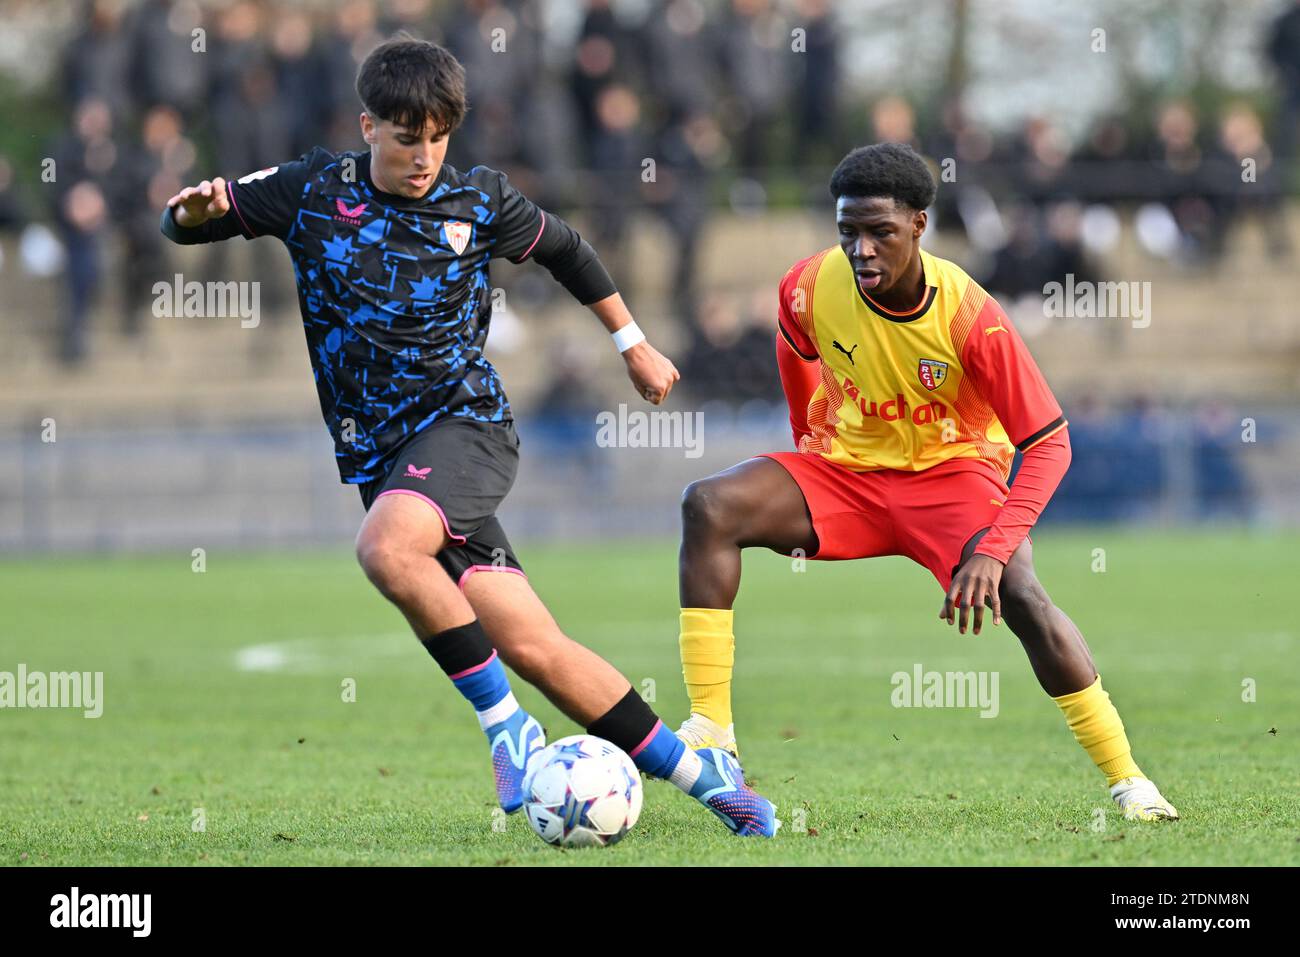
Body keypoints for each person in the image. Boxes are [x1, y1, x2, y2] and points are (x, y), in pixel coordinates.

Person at [160, 35, 776, 837]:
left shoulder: (480, 200)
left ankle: (506, 729)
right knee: (534, 645)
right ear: (369, 125)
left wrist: (633, 344)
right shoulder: (312, 189)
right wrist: (188, 211)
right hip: (387, 458)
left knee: (385, 550)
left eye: (438, 136)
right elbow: (187, 225)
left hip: (465, 426)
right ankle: (710, 779)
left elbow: (570, 251)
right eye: (407, 135)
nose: (424, 155)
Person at [672, 142, 1178, 822]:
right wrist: (807, 431)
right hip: (850, 472)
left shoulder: (972, 316)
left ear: (918, 224)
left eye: (880, 231)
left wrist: (993, 550)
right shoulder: (808, 283)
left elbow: (1051, 443)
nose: (862, 250)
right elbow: (795, 340)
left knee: (1023, 595)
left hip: (953, 476)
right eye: (847, 230)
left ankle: (1131, 781)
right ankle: (713, 731)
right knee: (708, 505)